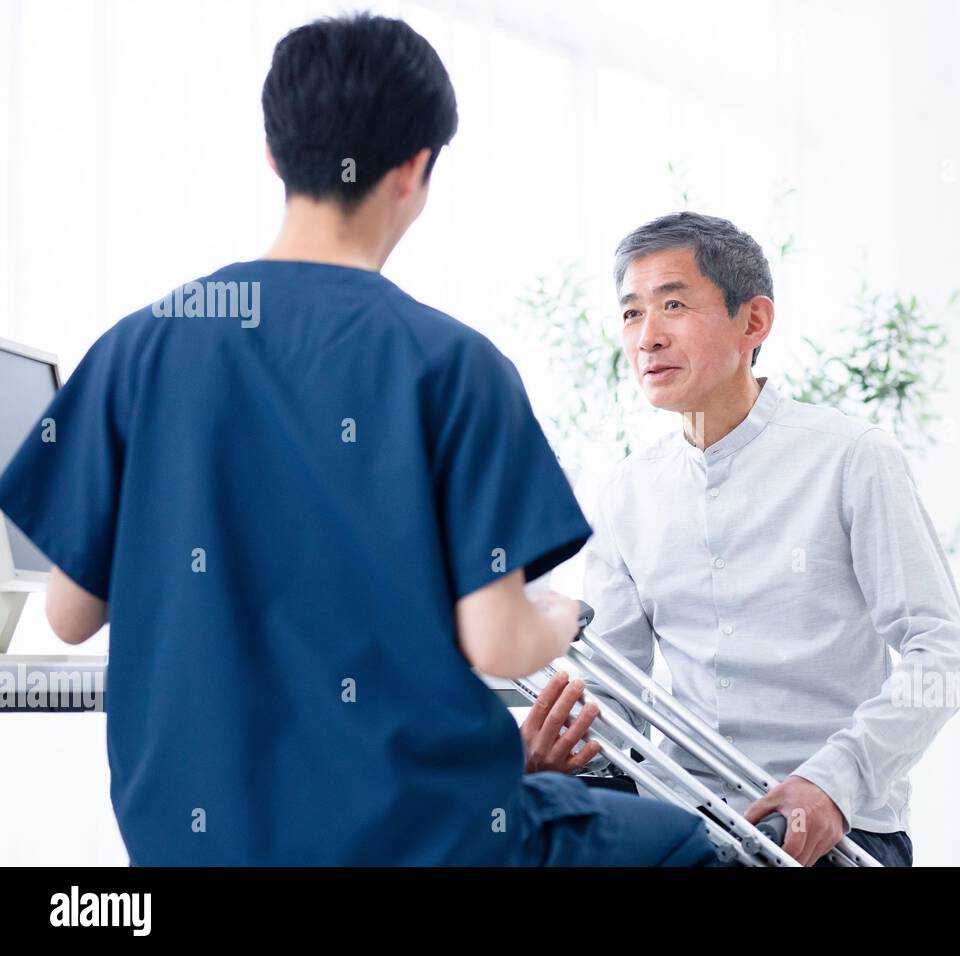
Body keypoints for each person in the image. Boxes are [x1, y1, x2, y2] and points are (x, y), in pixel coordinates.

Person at [0, 14, 718, 867]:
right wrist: (559, 617)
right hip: (419, 842)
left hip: (187, 850)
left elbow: (70, 616)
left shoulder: (141, 345)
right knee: (683, 843)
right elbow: (496, 641)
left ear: (275, 155)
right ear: (417, 167)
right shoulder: (454, 365)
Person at [521, 211, 960, 867]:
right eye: (630, 314)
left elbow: (944, 653)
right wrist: (553, 753)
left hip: (839, 833)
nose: (647, 337)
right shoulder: (627, 492)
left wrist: (834, 781)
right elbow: (616, 701)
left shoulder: (852, 458)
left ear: (754, 322)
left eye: (672, 305)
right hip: (683, 830)